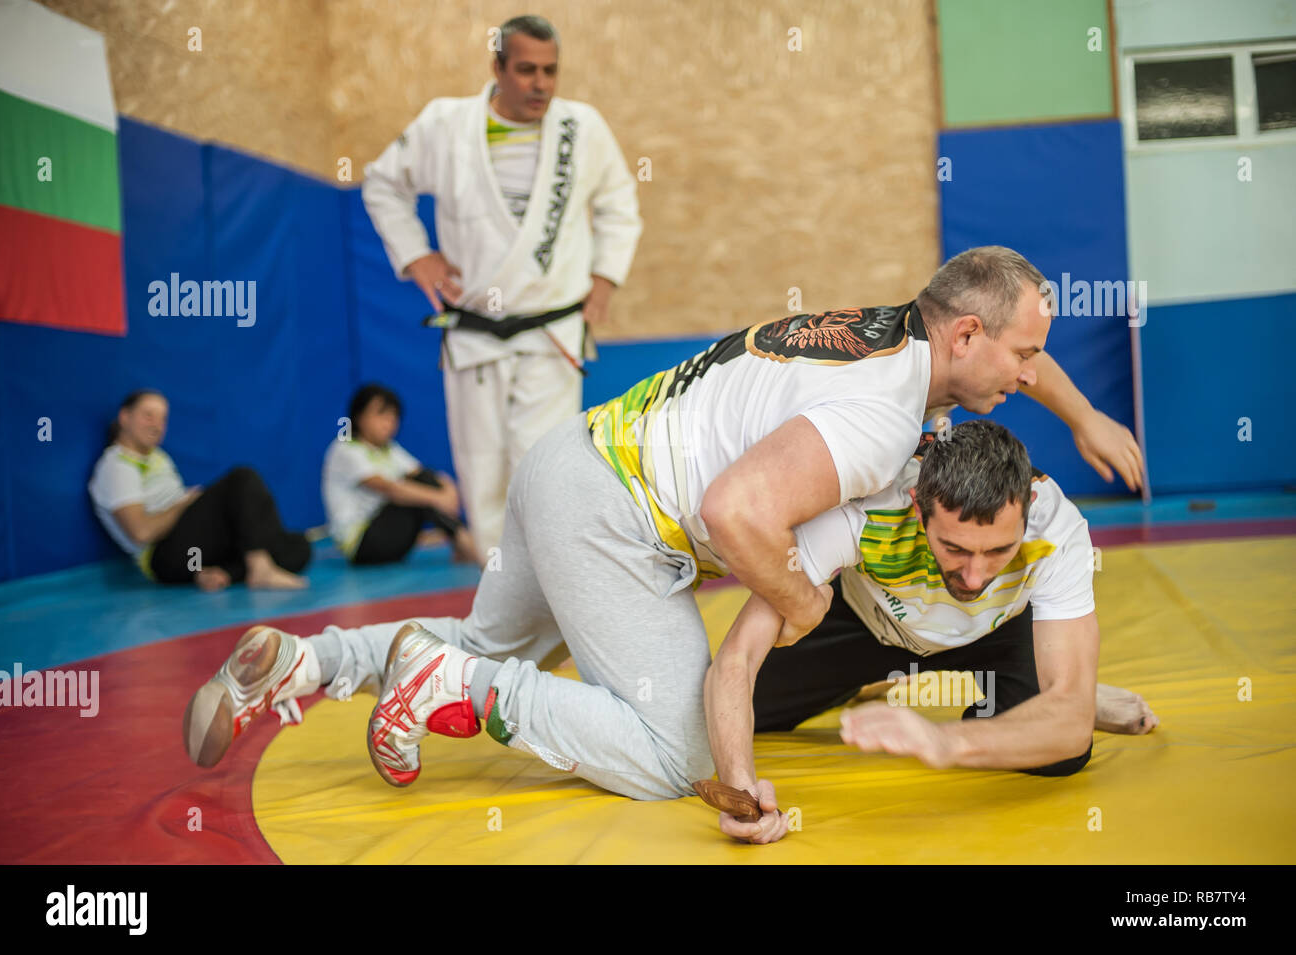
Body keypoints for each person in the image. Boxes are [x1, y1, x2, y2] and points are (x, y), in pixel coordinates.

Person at [184, 247, 1144, 793]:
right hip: (617, 515)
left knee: (487, 632)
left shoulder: (901, 331)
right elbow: (735, 515)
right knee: (673, 755)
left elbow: (1006, 350)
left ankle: (308, 663)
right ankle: (468, 689)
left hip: (570, 459)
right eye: (1025, 356)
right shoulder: (880, 418)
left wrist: (1083, 412)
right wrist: (802, 598)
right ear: (967, 336)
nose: (1031, 373)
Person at [704, 420, 1158, 844]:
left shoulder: (1058, 528)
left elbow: (1071, 731)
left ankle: (1067, 683)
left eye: (999, 549)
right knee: (734, 719)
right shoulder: (868, 506)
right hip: (869, 622)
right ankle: (885, 682)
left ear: (1029, 510)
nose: (976, 578)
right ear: (919, 507)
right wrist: (741, 792)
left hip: (997, 634)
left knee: (1060, 757)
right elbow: (737, 657)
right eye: (955, 548)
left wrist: (944, 742)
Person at [361, 14, 642, 559]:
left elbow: (619, 204)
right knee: (482, 475)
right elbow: (382, 182)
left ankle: (553, 595)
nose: (541, 84)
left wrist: (605, 277)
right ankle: (500, 606)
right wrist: (416, 254)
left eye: (551, 71)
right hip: (474, 335)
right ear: (497, 68)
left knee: (543, 470)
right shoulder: (445, 124)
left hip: (550, 330)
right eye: (527, 70)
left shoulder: (580, 128)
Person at [88, 390, 310, 591]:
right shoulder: (116, 466)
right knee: (242, 478)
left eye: (163, 418)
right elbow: (141, 533)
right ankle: (259, 568)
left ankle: (227, 573)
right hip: (163, 556)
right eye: (148, 415)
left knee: (297, 547)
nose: (157, 424)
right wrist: (186, 502)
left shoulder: (159, 458)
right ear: (125, 417)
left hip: (193, 547)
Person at [322, 384, 479, 565]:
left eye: (393, 416)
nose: (388, 423)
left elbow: (425, 473)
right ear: (359, 417)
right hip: (364, 544)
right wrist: (438, 498)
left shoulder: (389, 449)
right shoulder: (345, 449)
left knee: (423, 482)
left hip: (389, 536)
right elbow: (389, 489)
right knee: (416, 493)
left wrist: (449, 489)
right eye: (381, 414)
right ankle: (463, 540)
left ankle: (461, 540)